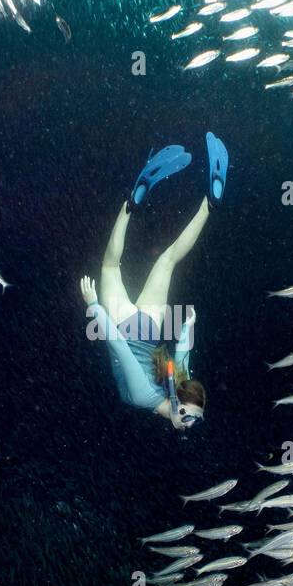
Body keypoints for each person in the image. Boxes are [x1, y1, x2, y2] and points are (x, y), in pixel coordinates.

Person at [80, 133, 228, 430]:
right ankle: (130, 205)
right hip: (125, 325)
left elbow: (183, 355)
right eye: (192, 417)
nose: (188, 423)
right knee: (110, 268)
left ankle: (209, 205)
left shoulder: (177, 385)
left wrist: (188, 326)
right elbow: (120, 347)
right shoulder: (143, 397)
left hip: (151, 327)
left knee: (168, 259)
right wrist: (94, 307)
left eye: (191, 421)